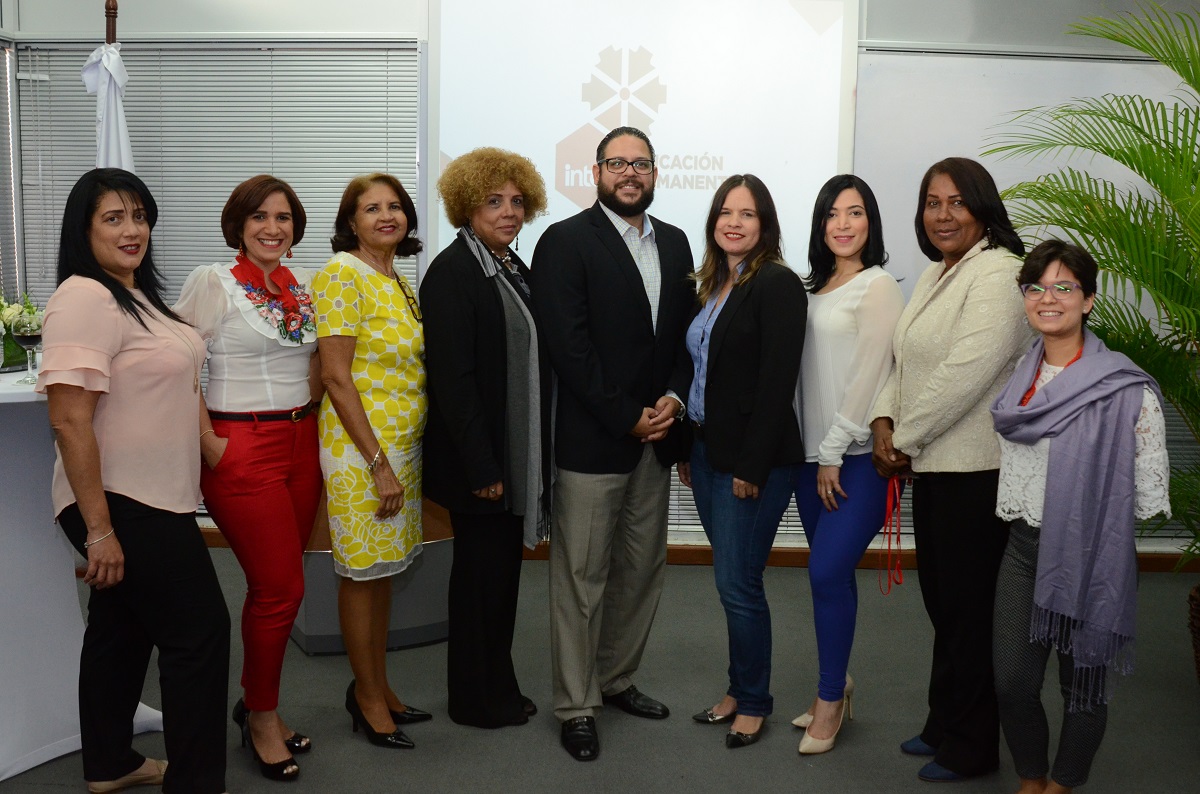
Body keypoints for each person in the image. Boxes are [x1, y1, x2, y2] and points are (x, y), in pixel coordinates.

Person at [38, 168, 230, 793]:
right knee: (199, 633)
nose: (133, 230)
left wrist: (210, 445)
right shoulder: (84, 297)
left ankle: (110, 764)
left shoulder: (134, 294)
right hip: (119, 503)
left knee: (120, 630)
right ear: (83, 229)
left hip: (151, 497)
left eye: (140, 216)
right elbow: (68, 419)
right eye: (113, 218)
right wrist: (99, 531)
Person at [531, 126, 695, 762]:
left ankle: (617, 678)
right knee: (581, 578)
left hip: (657, 441)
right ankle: (576, 704)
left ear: (655, 173)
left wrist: (674, 402)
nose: (631, 173)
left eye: (642, 164)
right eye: (618, 163)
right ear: (595, 172)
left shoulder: (677, 242)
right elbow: (567, 348)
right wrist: (626, 416)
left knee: (640, 571)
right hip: (595, 444)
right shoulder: (565, 242)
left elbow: (687, 337)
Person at [870, 157, 1034, 783]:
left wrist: (902, 439)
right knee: (945, 605)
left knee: (970, 613)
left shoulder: (998, 274)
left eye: (956, 202)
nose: (942, 215)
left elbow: (965, 374)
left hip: (975, 473)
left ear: (982, 208)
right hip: (935, 467)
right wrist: (883, 422)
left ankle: (972, 747)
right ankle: (945, 722)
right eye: (932, 202)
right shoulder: (942, 273)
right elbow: (905, 359)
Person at [990, 241, 1169, 794]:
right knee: (1012, 682)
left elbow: (1140, 498)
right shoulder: (1022, 377)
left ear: (1088, 300)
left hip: (1094, 559)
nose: (1049, 299)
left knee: (1082, 688)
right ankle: (1031, 775)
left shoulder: (1128, 390)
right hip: (1022, 549)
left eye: (1064, 287)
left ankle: (1063, 785)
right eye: (1036, 287)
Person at [174, 175, 322, 781]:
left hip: (301, 442)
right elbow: (174, 362)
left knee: (282, 589)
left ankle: (258, 702)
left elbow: (315, 362)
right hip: (243, 445)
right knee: (281, 589)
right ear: (238, 224)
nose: (272, 228)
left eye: (284, 218)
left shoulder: (299, 285)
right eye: (259, 217)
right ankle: (259, 715)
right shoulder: (214, 282)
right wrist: (209, 441)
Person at [421, 148, 551, 728]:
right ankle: (476, 701)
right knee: (480, 585)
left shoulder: (509, 266)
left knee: (498, 583)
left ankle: (497, 685)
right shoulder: (453, 274)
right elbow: (456, 383)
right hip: (482, 464)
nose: (508, 212)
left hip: (507, 455)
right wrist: (483, 467)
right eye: (493, 201)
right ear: (465, 206)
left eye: (517, 202)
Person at [679, 175, 806, 749]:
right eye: (725, 212)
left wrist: (751, 468)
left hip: (751, 464)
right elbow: (704, 375)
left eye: (747, 214)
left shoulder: (776, 284)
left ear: (765, 225)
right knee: (733, 580)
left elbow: (778, 383)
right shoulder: (715, 284)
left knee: (738, 583)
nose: (734, 222)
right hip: (707, 452)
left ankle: (753, 701)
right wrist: (689, 447)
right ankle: (737, 689)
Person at [311, 172, 428, 750]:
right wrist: (378, 462)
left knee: (384, 575)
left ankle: (380, 686)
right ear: (350, 222)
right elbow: (335, 375)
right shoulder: (341, 275)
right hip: (363, 454)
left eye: (395, 206)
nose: (387, 216)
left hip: (400, 450)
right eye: (371, 208)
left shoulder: (398, 279)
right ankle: (366, 697)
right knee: (361, 577)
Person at [791, 174, 904, 754]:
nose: (843, 223)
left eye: (855, 212)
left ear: (870, 222)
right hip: (810, 460)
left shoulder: (878, 285)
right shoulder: (813, 287)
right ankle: (836, 682)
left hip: (854, 461)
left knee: (826, 573)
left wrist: (834, 451)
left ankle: (830, 699)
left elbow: (868, 377)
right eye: (832, 213)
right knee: (829, 582)